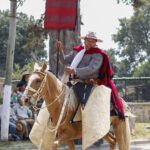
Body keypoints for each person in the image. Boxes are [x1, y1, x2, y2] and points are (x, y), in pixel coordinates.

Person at [55, 31, 125, 119]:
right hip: (74, 82)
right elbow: (65, 60)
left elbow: (91, 68)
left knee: (86, 104)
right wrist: (59, 50)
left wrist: (74, 71)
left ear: (95, 43)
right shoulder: (77, 51)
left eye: (91, 41)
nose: (88, 43)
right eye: (87, 40)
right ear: (84, 41)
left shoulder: (98, 54)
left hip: (90, 85)